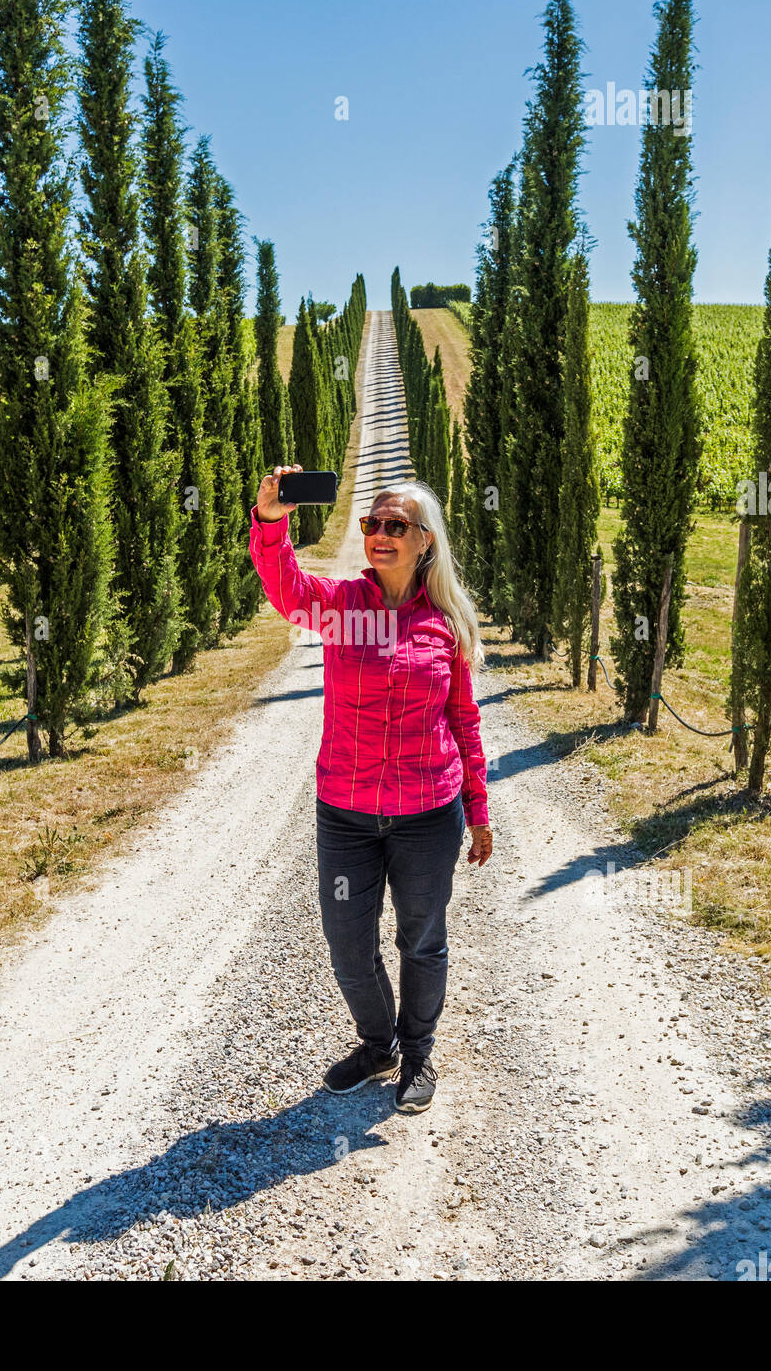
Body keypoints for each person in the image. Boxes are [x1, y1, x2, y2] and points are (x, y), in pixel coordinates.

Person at [249, 463, 493, 1114]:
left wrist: (479, 810)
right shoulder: (339, 608)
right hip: (347, 816)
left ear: (423, 542)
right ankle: (376, 1042)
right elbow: (285, 588)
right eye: (371, 523)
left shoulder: (444, 625)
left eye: (394, 525)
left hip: (426, 816)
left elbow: (464, 723)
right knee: (347, 944)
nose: (379, 533)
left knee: (421, 940)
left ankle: (416, 1055)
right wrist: (272, 521)